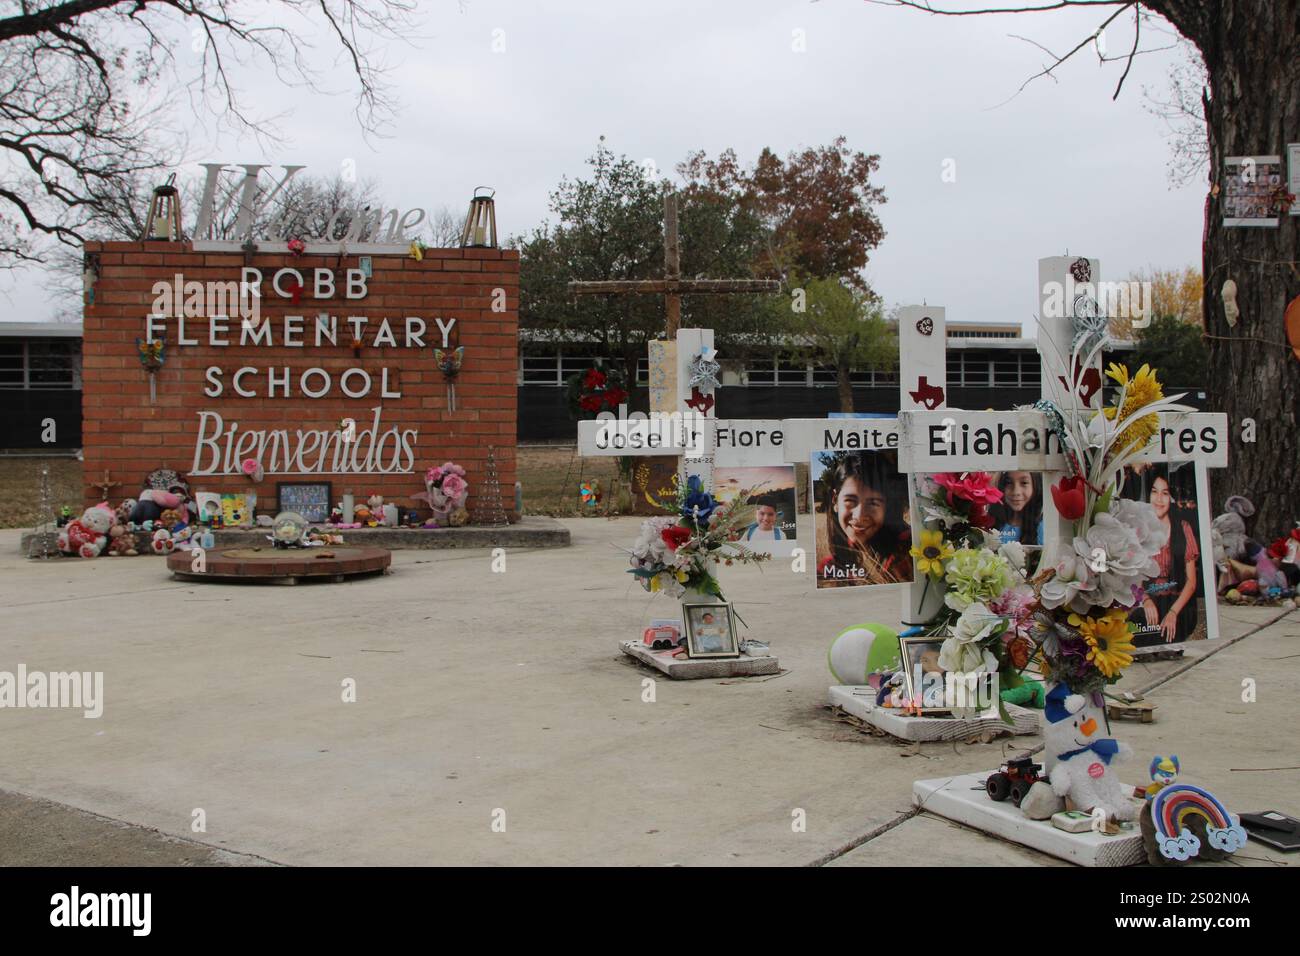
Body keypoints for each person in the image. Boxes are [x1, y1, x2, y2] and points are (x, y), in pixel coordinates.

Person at [816, 451, 911, 586]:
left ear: (887, 506)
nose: (859, 516)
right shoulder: (828, 568)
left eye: (873, 503)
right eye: (850, 501)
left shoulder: (908, 553)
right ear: (835, 500)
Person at [1133, 468, 1200, 644]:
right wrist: (1146, 600)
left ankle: (1163, 640)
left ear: (1170, 497)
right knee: (1138, 622)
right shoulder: (1138, 528)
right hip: (1148, 598)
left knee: (1176, 625)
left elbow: (1191, 582)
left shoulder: (1183, 528)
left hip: (1176, 603)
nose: (1159, 499)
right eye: (1154, 492)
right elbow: (1133, 577)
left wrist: (1173, 612)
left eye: (1165, 493)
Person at [990, 471, 1042, 547]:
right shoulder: (994, 521)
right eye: (1009, 483)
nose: (1016, 492)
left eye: (1024, 483)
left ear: (1035, 485)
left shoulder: (1042, 527)